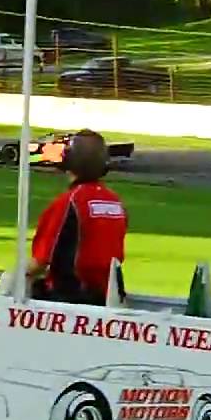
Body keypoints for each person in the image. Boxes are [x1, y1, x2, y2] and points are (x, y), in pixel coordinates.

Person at [27, 130, 128, 305]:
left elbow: (39, 263)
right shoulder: (115, 202)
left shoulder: (68, 202)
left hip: (68, 299)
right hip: (107, 297)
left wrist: (8, 280)